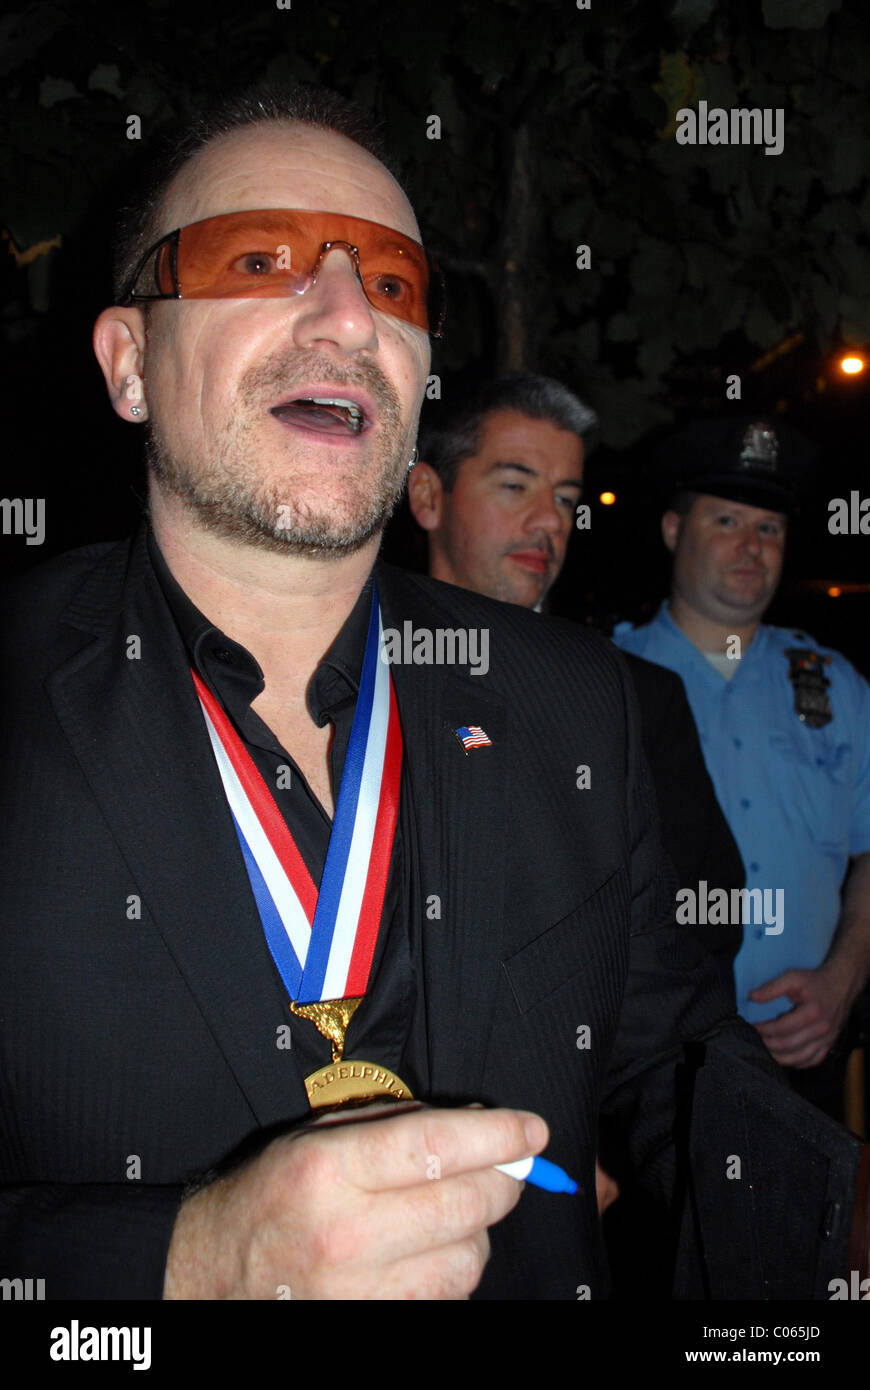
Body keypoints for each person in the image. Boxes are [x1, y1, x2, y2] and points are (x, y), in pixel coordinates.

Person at [0, 89, 866, 1302]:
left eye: (397, 287)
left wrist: (823, 1211)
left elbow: (669, 1062)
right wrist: (190, 1259)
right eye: (262, 257)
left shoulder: (579, 704)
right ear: (129, 362)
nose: (349, 313)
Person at [408, 375, 745, 989]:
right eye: (516, 486)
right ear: (429, 496)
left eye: (565, 498)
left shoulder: (640, 698)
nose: (549, 521)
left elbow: (705, 915)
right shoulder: (354, 672)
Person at [613, 416, 870, 1121]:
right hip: (652, 1069)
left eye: (770, 528)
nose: (751, 546)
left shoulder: (836, 686)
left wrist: (842, 981)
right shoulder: (605, 680)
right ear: (672, 530)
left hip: (804, 1057)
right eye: (726, 520)